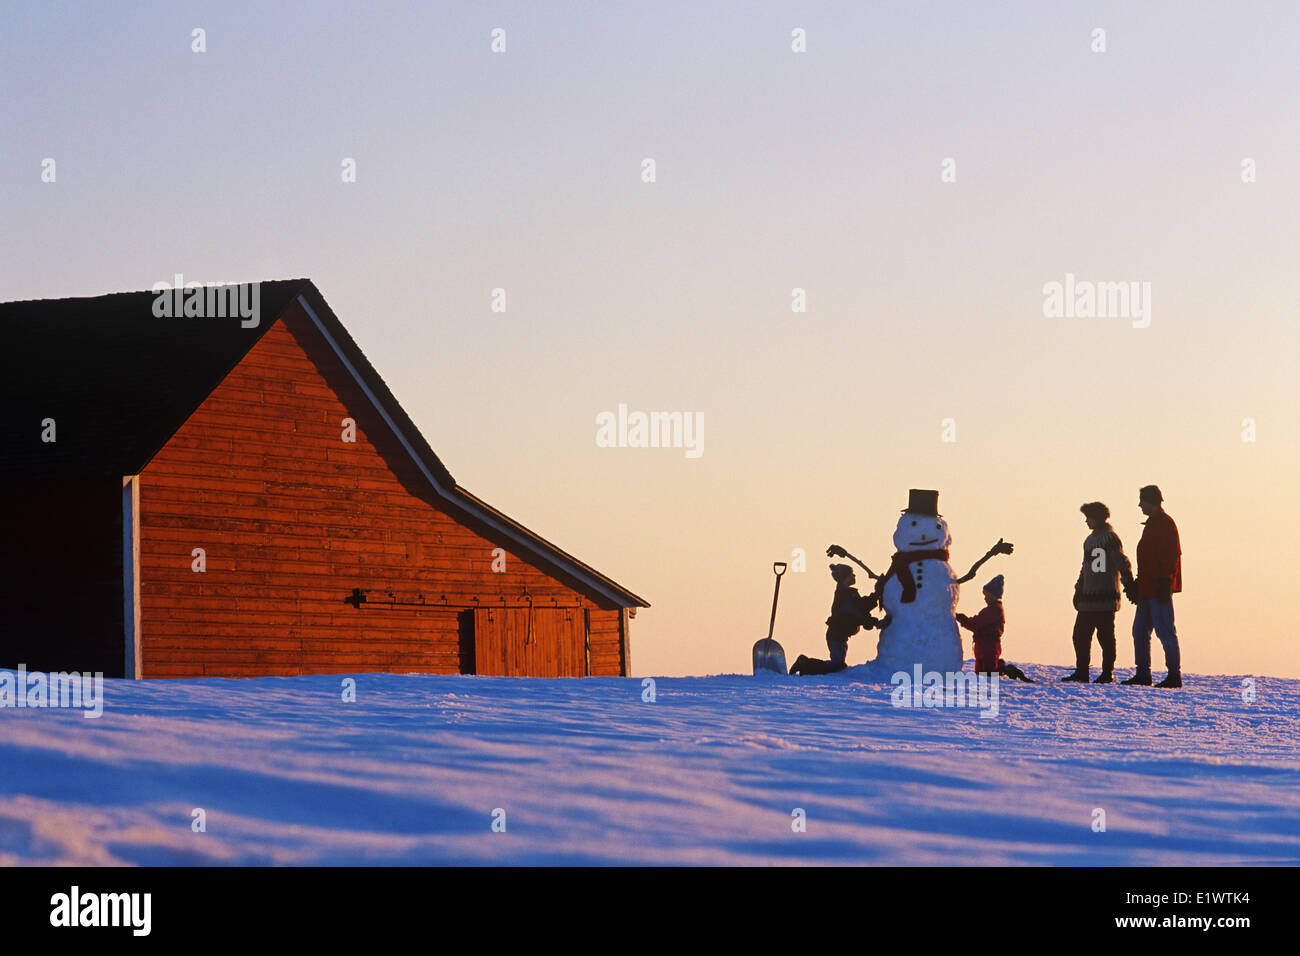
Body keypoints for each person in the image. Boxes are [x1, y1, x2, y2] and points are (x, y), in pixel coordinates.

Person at [1061, 502, 1134, 684]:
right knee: (1080, 635)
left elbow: (1121, 561)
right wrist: (1079, 588)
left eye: (1089, 517)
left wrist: (1129, 584)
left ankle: (1107, 672)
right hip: (1087, 598)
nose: (1086, 521)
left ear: (1098, 518)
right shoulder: (1089, 540)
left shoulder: (1110, 538)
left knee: (1105, 637)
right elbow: (1085, 567)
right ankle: (1082, 671)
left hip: (1105, 597)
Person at [1122, 485, 1183, 688]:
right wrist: (1140, 582)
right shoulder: (1154, 524)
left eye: (1142, 501)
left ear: (1151, 501)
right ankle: (1143, 673)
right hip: (1148, 588)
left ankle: (1174, 675)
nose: (1139, 505)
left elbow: (1172, 555)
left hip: (1158, 588)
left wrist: (1166, 581)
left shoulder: (1164, 524)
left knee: (1164, 630)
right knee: (1139, 630)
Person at [790, 564, 878, 675]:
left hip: (840, 635)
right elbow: (855, 612)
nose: (854, 575)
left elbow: (860, 606)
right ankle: (804, 663)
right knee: (837, 665)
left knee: (838, 664)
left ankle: (806, 665)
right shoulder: (844, 596)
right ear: (845, 578)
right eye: (851, 574)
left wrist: (875, 596)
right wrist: (869, 620)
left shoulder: (848, 593)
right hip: (836, 635)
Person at [956, 575, 1027, 679]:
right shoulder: (991, 609)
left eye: (987, 595)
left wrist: (960, 618)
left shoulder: (994, 610)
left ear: (992, 596)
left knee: (988, 673)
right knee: (981, 674)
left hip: (989, 645)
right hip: (983, 644)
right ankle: (1002, 667)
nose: (985, 598)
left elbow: (975, 623)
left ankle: (1007, 669)